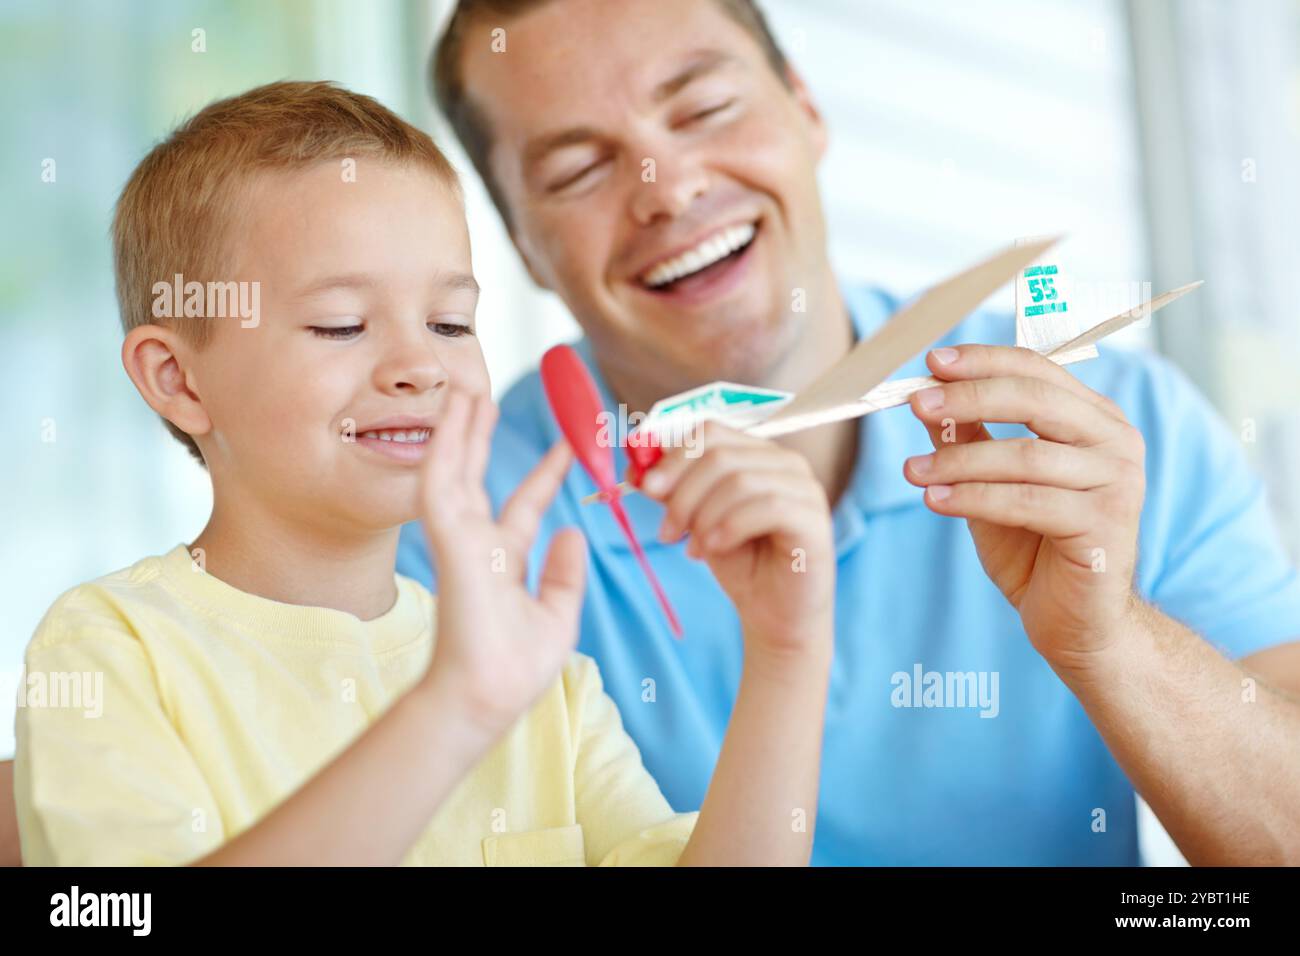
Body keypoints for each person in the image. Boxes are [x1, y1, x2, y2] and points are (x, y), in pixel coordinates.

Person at [399, 0, 1300, 865]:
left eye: (706, 109)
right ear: (522, 246)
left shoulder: (1111, 431)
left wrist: (1112, 643)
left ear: (807, 111)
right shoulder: (449, 531)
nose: (668, 189)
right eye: (578, 171)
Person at [12, 80, 836, 866]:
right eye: (340, 325)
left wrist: (786, 652)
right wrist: (456, 707)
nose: (420, 365)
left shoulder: (540, 674)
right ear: (179, 380)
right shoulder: (113, 650)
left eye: (449, 322)